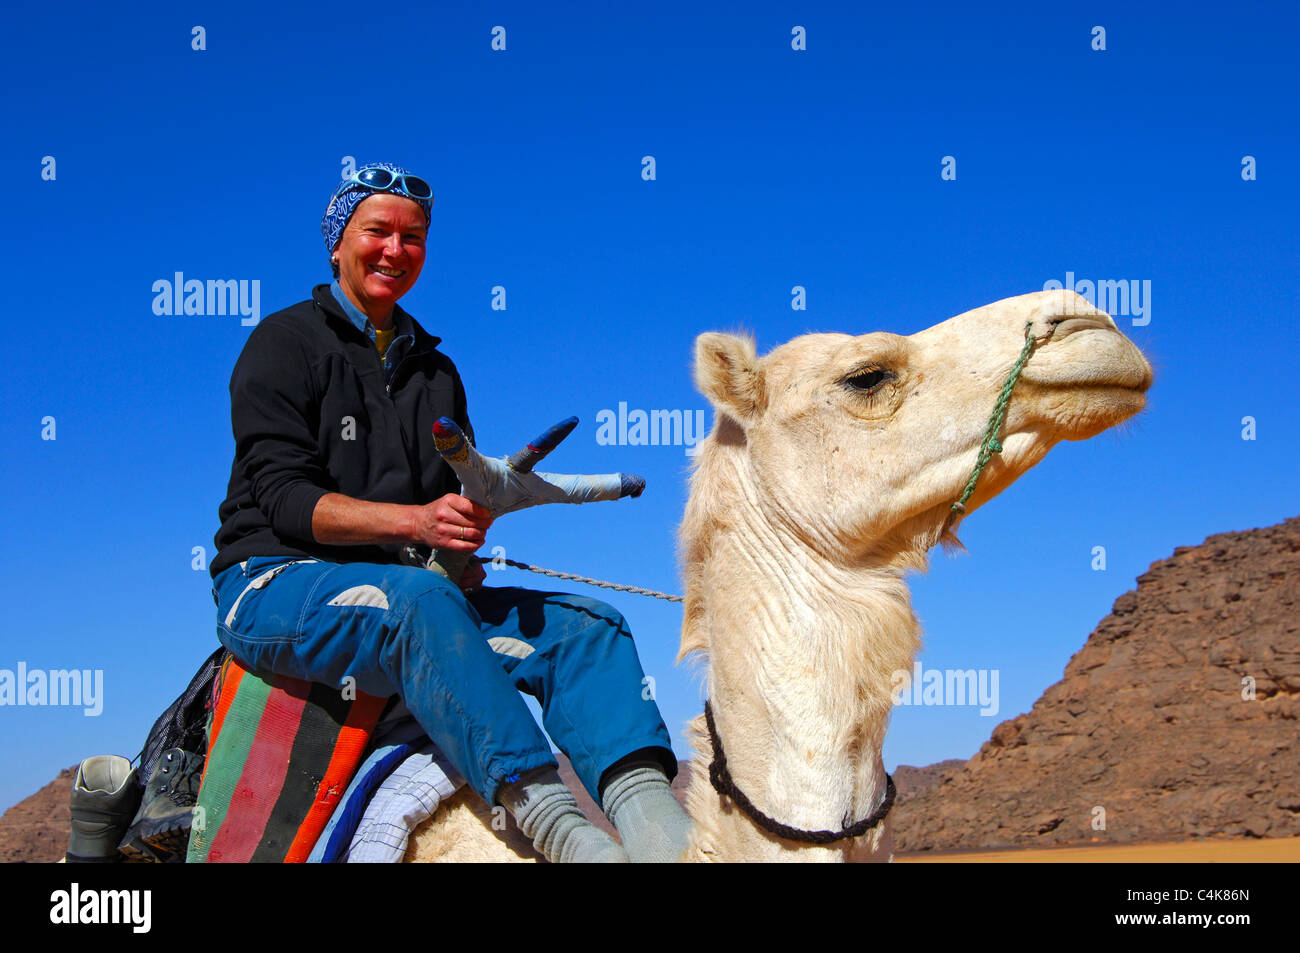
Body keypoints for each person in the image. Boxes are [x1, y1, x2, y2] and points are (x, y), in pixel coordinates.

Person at [209, 161, 690, 863]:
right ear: (338, 243)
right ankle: (570, 838)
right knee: (420, 601)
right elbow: (287, 503)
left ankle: (664, 843)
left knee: (590, 631)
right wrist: (416, 526)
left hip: (411, 594)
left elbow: (444, 512)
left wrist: (465, 533)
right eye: (377, 231)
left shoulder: (438, 372)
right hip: (274, 582)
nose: (394, 252)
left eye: (414, 238)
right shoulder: (283, 343)